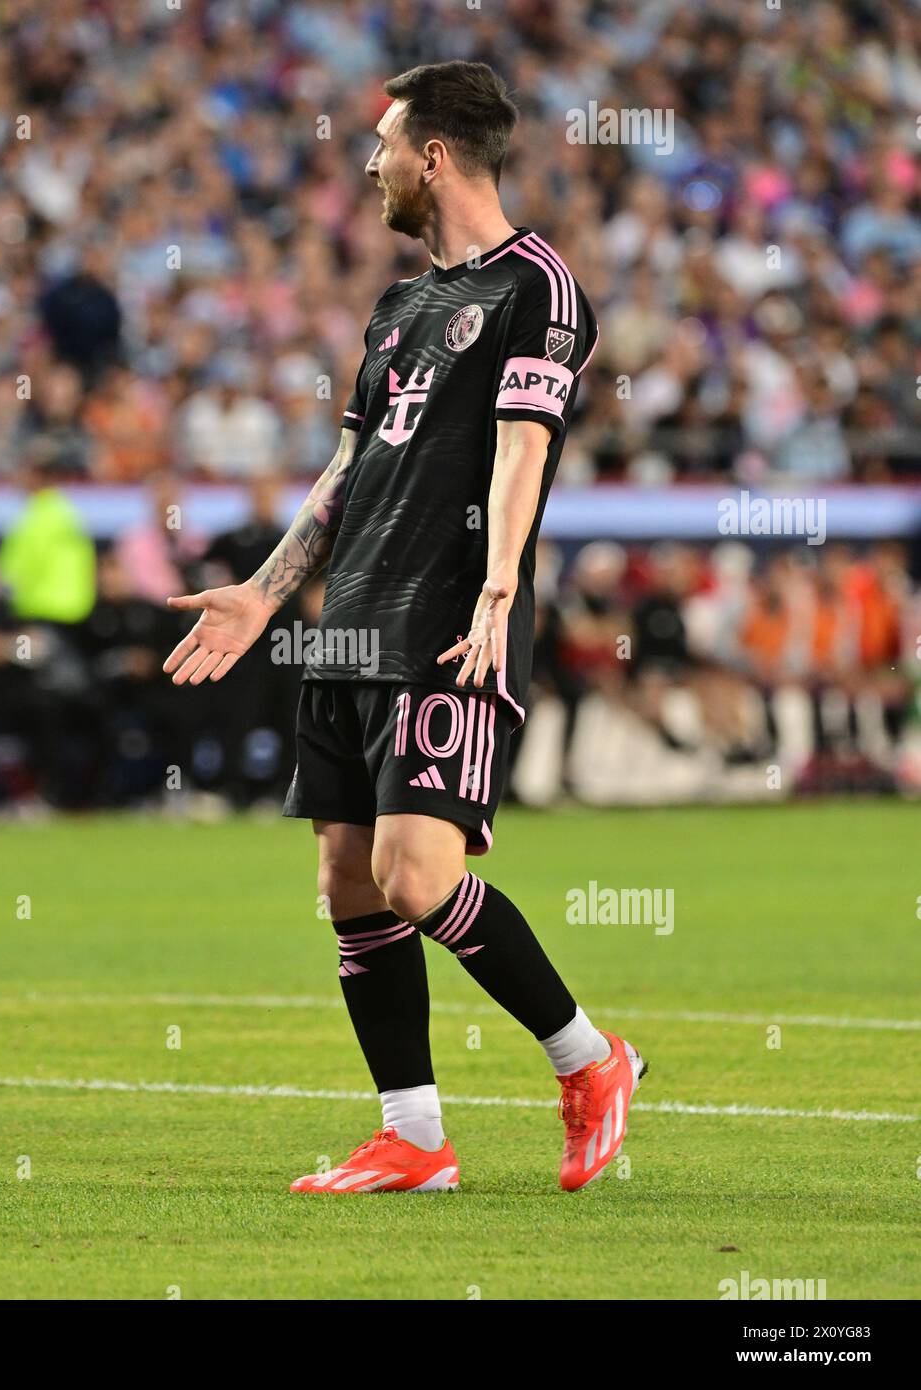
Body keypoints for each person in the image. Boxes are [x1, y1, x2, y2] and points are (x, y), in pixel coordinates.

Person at [164, 62, 645, 1195]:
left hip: (446, 619)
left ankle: (591, 1058)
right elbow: (347, 470)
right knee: (347, 882)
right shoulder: (396, 307)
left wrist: (496, 589)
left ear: (433, 155)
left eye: (381, 145)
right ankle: (415, 1136)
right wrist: (266, 592)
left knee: (418, 871)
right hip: (350, 623)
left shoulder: (540, 286)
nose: (369, 164)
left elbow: (525, 445)